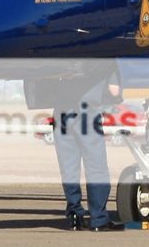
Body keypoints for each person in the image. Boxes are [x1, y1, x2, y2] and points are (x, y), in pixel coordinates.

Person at [51, 74, 121, 231]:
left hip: (60, 112)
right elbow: (114, 91)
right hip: (87, 112)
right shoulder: (105, 61)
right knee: (96, 167)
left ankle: (75, 216)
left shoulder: (62, 60)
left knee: (69, 168)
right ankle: (99, 219)